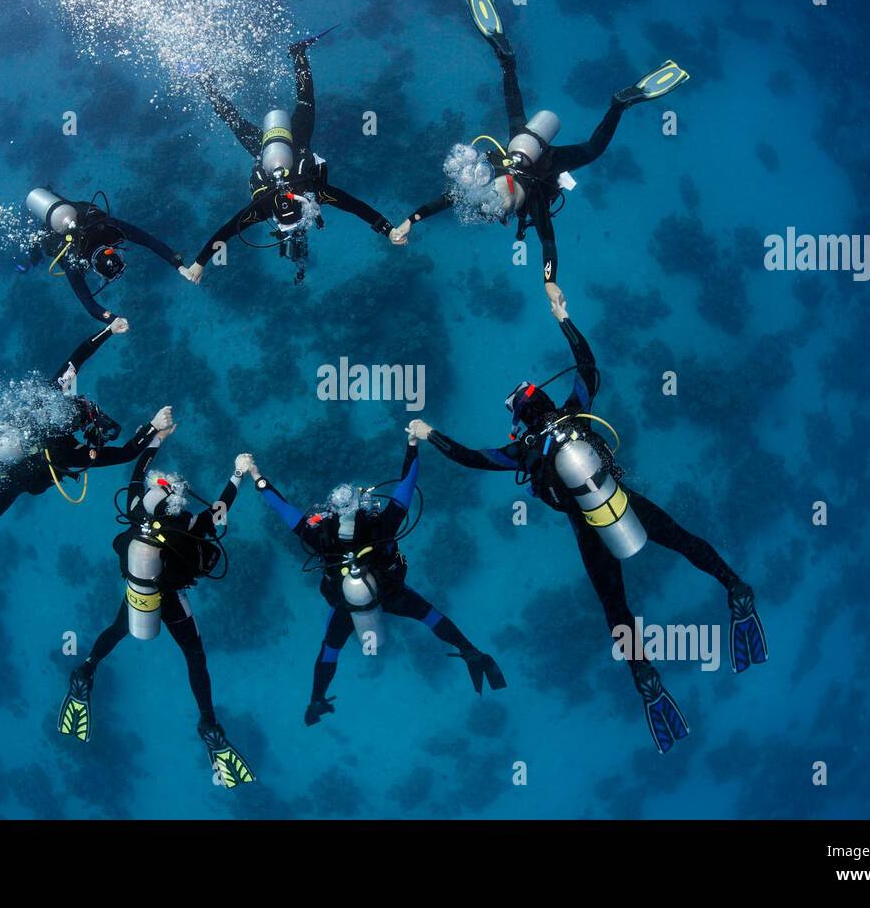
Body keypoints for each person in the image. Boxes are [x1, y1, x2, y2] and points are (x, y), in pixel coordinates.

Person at [408, 286, 766, 754]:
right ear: (547, 402)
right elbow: (588, 367)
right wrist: (563, 317)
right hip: (623, 503)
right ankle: (735, 588)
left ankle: (644, 674)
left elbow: (473, 458)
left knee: (617, 611)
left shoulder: (525, 452)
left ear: (518, 422)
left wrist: (427, 432)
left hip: (590, 530)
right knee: (683, 540)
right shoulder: (574, 413)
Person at [391, 0, 690, 297]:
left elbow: (548, 242)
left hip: (549, 162)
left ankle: (619, 105)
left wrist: (550, 281)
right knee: (514, 108)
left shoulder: (533, 200)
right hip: (520, 145)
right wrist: (409, 221)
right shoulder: (490, 171)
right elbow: (444, 201)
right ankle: (507, 62)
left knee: (592, 150)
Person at [0, 319, 164, 626]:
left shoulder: (48, 403)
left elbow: (78, 355)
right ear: (76, 427)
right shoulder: (70, 454)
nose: (85, 406)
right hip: (5, 484)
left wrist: (108, 331)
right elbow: (126, 453)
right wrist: (152, 428)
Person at [246, 431, 505, 728]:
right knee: (431, 616)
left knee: (330, 650)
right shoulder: (384, 524)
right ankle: (470, 651)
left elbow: (282, 508)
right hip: (390, 592)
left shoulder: (318, 535)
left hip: (348, 605)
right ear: (359, 507)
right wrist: (411, 444)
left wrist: (256, 476)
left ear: (331, 512)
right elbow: (408, 483)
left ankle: (317, 698)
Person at [57, 417, 256, 788]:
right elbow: (219, 510)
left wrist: (156, 438)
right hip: (169, 599)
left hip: (138, 590)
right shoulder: (189, 526)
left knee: (118, 629)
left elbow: (136, 475)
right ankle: (209, 724)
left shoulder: (136, 510)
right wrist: (237, 474)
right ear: (176, 504)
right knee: (194, 657)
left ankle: (85, 670)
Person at [178, 27, 403, 286]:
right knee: (234, 120)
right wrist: (200, 261)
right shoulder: (267, 207)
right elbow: (227, 231)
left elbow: (354, 206)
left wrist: (388, 230)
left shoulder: (312, 193)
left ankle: (296, 54)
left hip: (291, 141)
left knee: (303, 100)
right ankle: (206, 80)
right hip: (266, 148)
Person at [23, 188, 184, 323]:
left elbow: (149, 241)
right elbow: (88, 303)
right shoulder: (77, 259)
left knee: (67, 208)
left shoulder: (109, 230)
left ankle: (48, 193)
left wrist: (112, 319)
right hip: (61, 225)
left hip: (71, 213)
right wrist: (178, 265)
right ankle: (31, 259)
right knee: (41, 242)